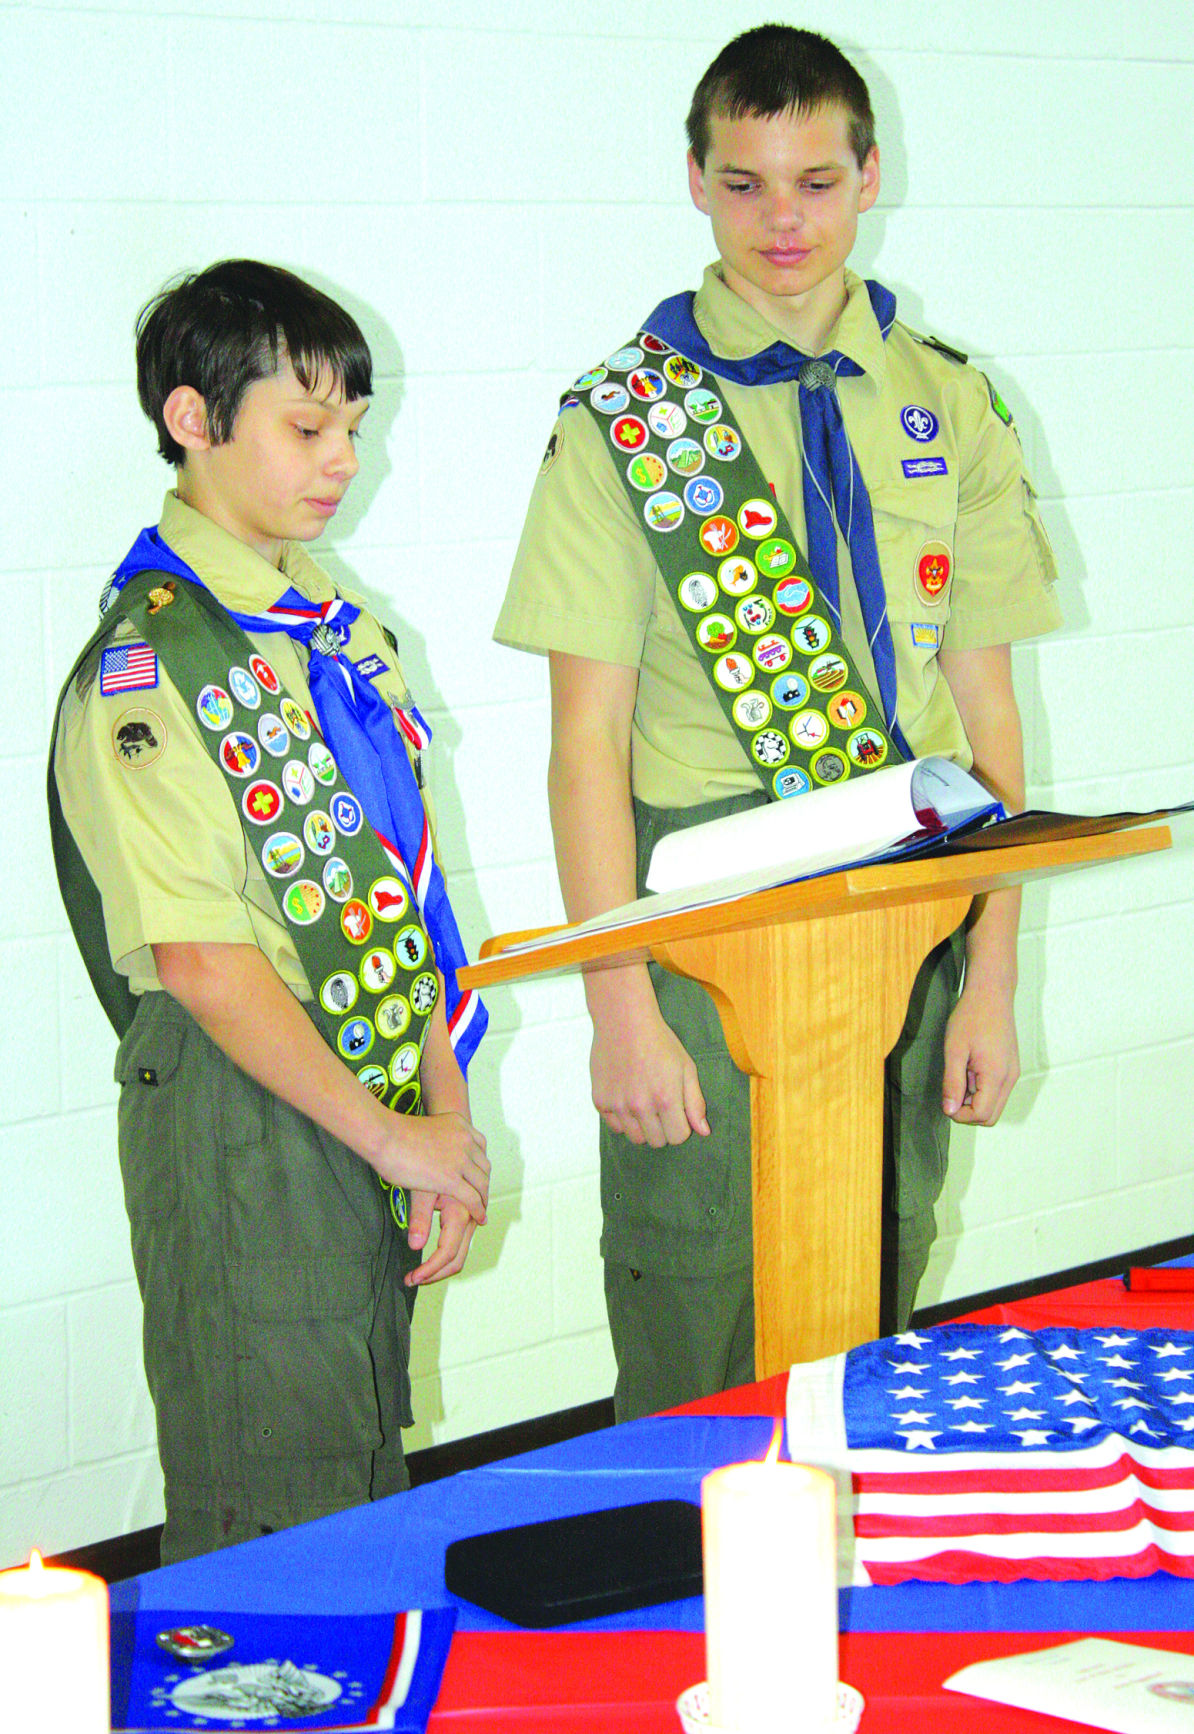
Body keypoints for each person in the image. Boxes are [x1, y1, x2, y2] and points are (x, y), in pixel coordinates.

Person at [495, 26, 1061, 1421]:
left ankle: (837, 1600)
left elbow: (983, 710)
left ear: (870, 176)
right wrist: (615, 1003)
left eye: (813, 179)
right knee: (699, 1293)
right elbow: (584, 746)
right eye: (743, 183)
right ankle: (679, 1614)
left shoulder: (949, 398)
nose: (781, 220)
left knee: (873, 1273)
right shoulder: (627, 420)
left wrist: (990, 973)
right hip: (704, 897)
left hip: (908, 884)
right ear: (693, 180)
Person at [49, 260, 491, 1561]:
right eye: (308, 427)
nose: (343, 458)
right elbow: (198, 954)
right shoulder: (151, 662)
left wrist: (441, 1122)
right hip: (246, 1115)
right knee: (271, 1512)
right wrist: (389, 1133)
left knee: (359, 1466)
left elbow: (399, 892)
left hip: (363, 1087)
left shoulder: (339, 631)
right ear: (193, 418)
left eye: (353, 424)